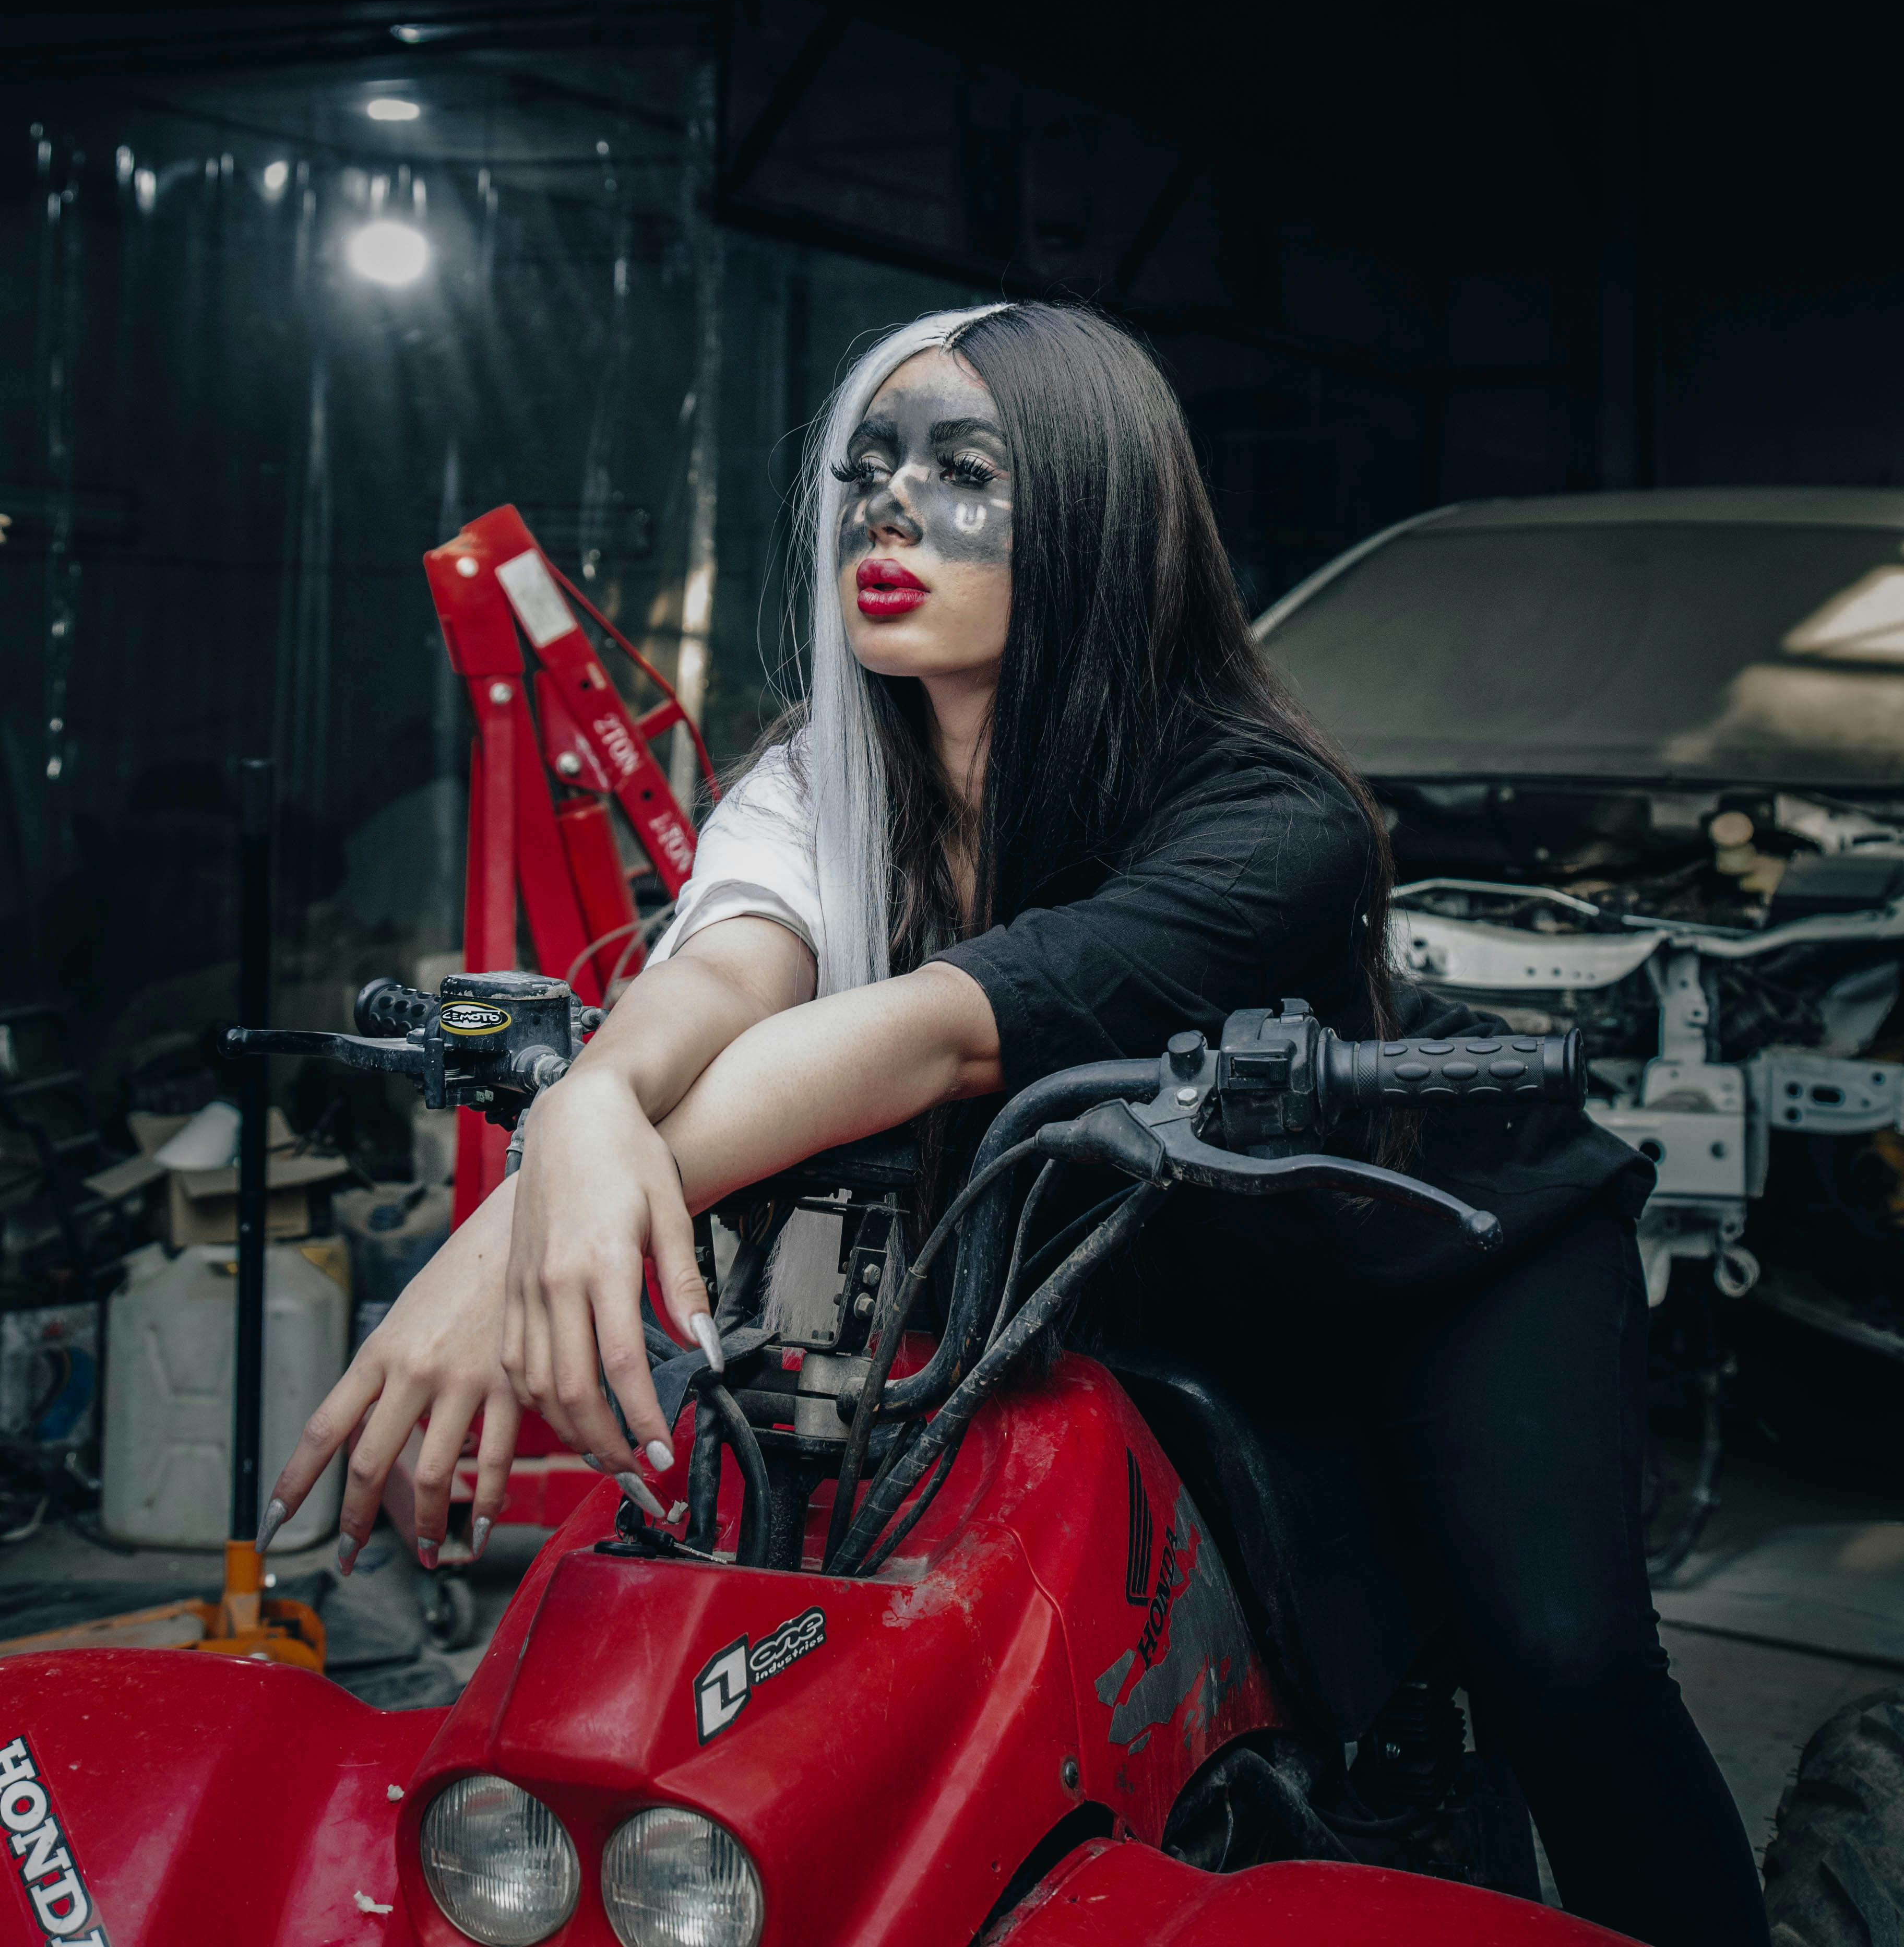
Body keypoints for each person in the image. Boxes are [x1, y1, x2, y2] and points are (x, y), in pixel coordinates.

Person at [261, 302, 1765, 1947]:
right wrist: (572, 1140)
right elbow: (726, 981)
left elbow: (923, 1037)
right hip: (1116, 1276)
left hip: (1425, 1261)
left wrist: (532, 1220)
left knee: (1560, 1661)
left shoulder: (1268, 813)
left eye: (965, 470)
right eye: (870, 469)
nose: (890, 512)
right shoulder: (825, 778)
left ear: (1099, 517)